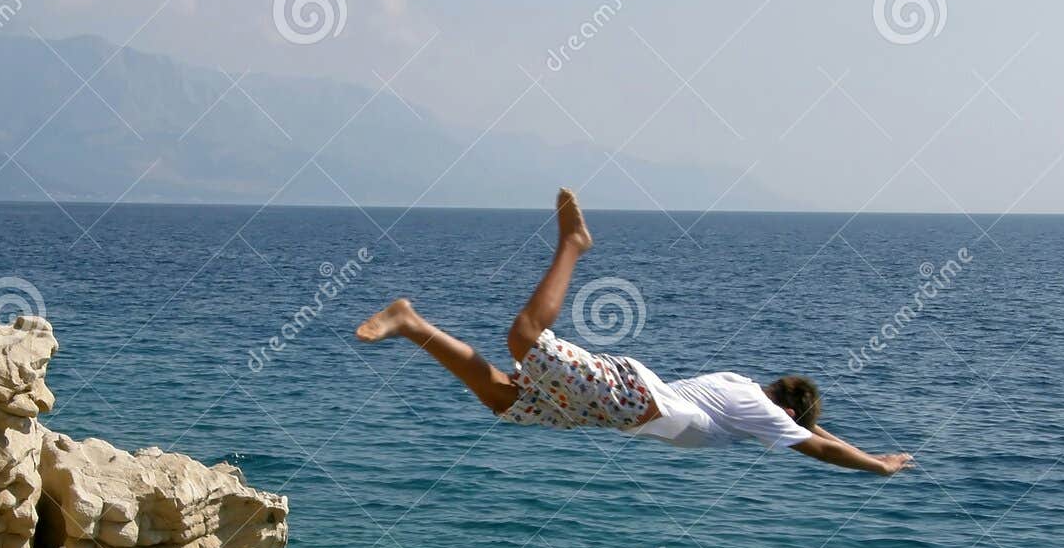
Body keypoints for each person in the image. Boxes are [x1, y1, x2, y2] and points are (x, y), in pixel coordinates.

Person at [355, 189, 916, 476]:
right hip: (631, 398)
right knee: (524, 338)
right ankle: (573, 245)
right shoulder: (756, 407)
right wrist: (876, 466)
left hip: (617, 416)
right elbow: (817, 445)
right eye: (796, 424)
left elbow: (820, 433)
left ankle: (410, 322)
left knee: (504, 398)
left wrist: (867, 449)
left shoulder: (752, 399)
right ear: (789, 415)